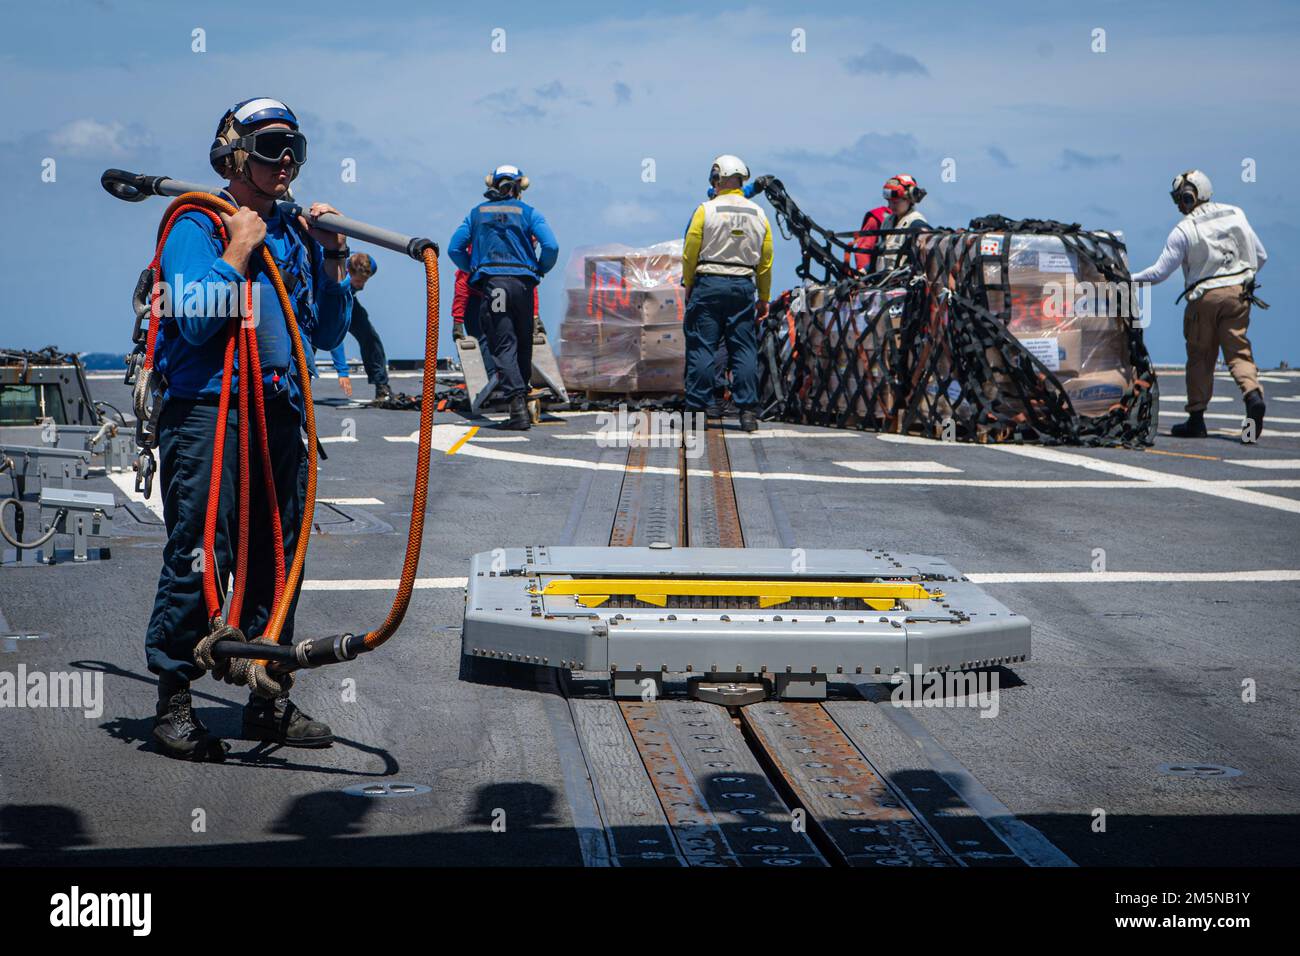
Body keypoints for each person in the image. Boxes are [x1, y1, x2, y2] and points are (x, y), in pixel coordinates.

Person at [145, 97, 352, 759]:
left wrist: (334, 257)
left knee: (278, 558)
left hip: (279, 416)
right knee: (202, 558)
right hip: (211, 412)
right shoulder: (199, 222)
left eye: (294, 147)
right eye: (269, 147)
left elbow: (327, 331)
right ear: (236, 153)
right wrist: (238, 247)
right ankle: (174, 702)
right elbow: (199, 318)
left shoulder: (293, 232)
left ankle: (268, 695)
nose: (284, 159)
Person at [1130, 169, 1269, 438]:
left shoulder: (1184, 229)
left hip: (1204, 298)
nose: (1180, 205)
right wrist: (1240, 277)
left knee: (1201, 358)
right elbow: (1260, 256)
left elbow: (1159, 273)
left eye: (1181, 198)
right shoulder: (1236, 214)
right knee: (1239, 353)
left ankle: (1196, 419)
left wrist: (1126, 279)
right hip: (1239, 294)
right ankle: (1253, 396)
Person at [448, 166, 559, 429]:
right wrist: (539, 269)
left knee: (502, 344)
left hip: (495, 286)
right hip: (524, 287)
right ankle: (521, 398)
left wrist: (473, 269)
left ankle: (517, 408)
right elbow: (551, 246)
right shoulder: (529, 213)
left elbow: (455, 248)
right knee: (523, 343)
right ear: (520, 187)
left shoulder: (476, 214)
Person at [681, 154, 774, 432]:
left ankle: (697, 410)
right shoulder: (759, 214)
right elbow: (766, 260)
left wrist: (689, 285)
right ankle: (747, 413)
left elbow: (689, 253)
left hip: (709, 282)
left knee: (702, 347)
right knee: (743, 348)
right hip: (744, 285)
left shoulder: (705, 210)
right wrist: (764, 297)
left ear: (716, 179)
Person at [336, 253, 392, 401]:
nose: (362, 286)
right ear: (348, 272)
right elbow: (335, 340)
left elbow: (367, 261)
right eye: (359, 281)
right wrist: (343, 372)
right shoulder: (337, 276)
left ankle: (382, 387)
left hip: (350, 301)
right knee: (320, 339)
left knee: (370, 338)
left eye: (365, 281)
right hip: (332, 302)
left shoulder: (371, 266)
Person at [874, 174, 929, 273]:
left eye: (895, 203)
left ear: (909, 199)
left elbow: (928, 238)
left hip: (902, 282)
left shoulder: (916, 223)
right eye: (889, 202)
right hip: (882, 282)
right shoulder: (887, 222)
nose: (890, 206)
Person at [846, 202, 891, 272]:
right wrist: (863, 275)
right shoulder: (878, 218)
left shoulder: (913, 221)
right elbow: (863, 249)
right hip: (879, 275)